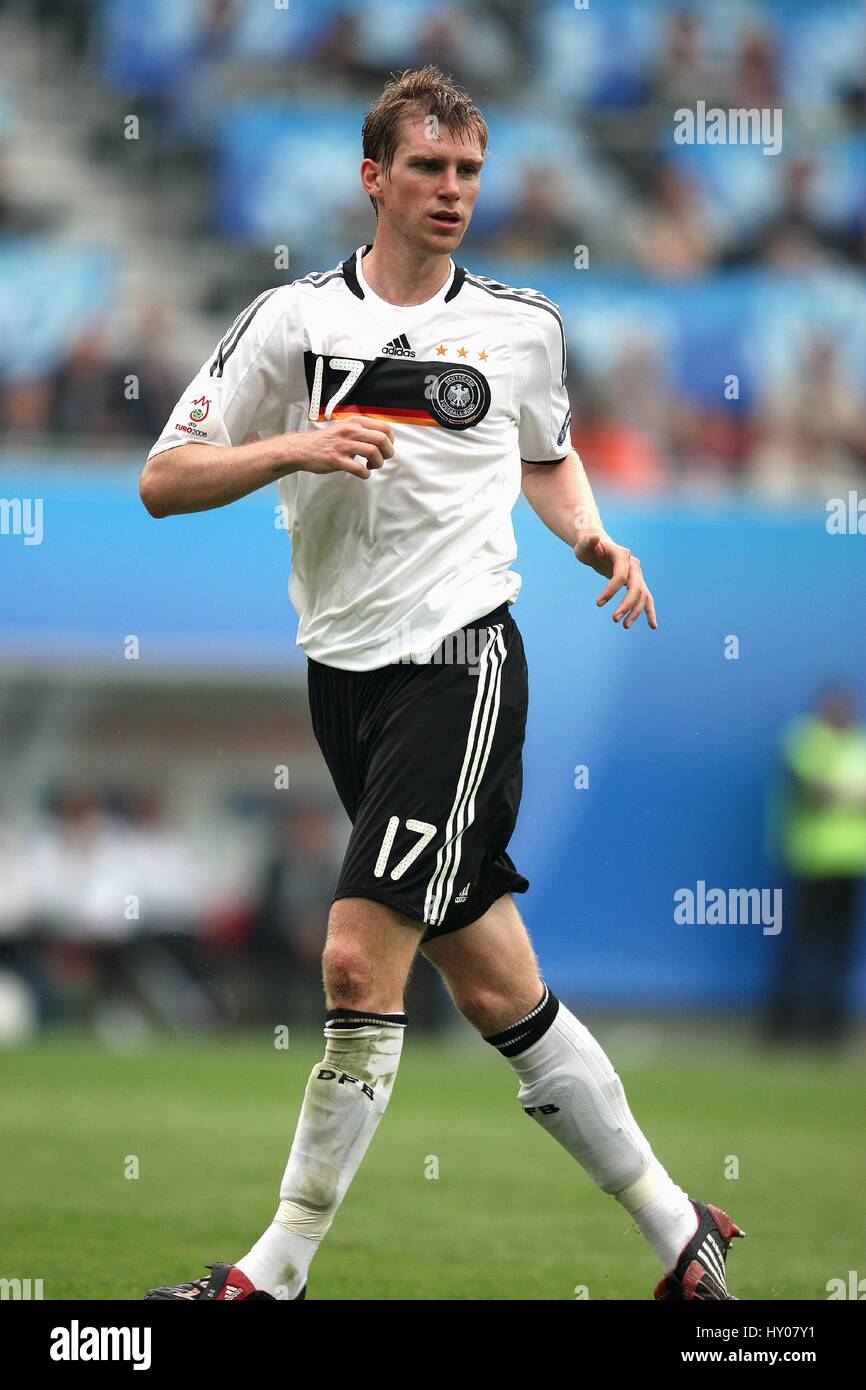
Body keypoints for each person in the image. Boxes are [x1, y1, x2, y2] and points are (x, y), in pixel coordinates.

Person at [138, 65, 743, 1302]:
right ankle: (679, 1229)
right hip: (343, 679)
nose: (452, 190)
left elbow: (549, 457)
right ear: (374, 179)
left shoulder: (522, 328)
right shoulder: (292, 323)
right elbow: (165, 476)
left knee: (359, 963)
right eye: (427, 168)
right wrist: (297, 444)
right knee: (496, 986)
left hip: (459, 666)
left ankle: (274, 1272)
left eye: (468, 171)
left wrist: (591, 538)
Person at [765, 687, 866, 1046]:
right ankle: (782, 1028)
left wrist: (840, 794)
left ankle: (828, 1031)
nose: (842, 711)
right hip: (810, 863)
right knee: (798, 947)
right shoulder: (805, 739)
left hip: (850, 866)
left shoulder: (859, 744)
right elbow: (814, 794)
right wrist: (850, 796)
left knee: (840, 950)